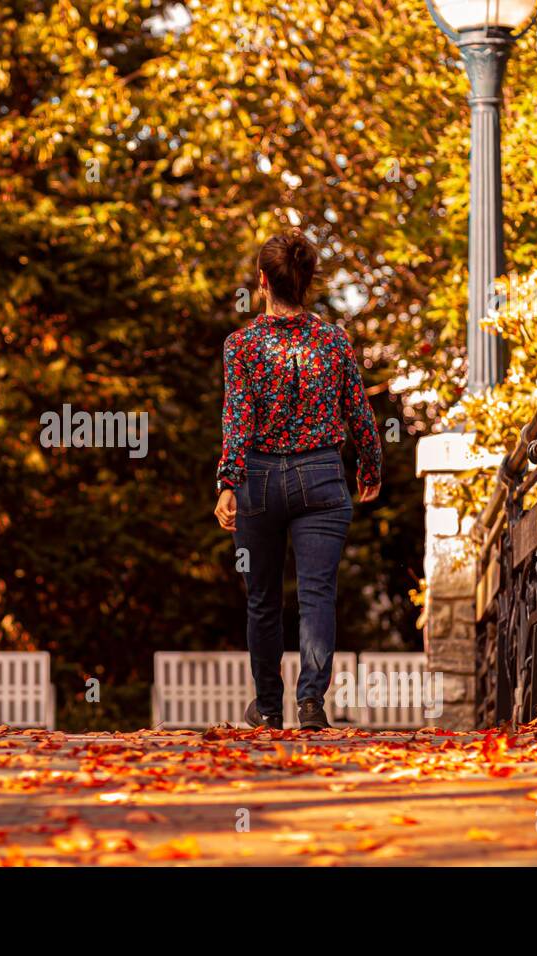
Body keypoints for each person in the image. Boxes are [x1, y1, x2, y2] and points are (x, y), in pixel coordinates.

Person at [213, 230, 383, 731]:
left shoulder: (241, 346)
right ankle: (311, 703)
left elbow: (237, 420)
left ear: (263, 281)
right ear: (308, 281)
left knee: (262, 598)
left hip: (259, 481)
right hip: (323, 478)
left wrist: (228, 481)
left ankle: (267, 706)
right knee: (316, 595)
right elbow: (359, 411)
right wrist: (369, 467)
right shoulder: (333, 340)